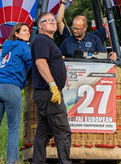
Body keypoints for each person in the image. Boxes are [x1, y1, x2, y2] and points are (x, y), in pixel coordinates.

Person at [0, 23, 32, 164]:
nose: (28, 33)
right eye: (25, 30)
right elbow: (32, 64)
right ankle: (12, 161)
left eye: (29, 30)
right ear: (17, 33)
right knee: (13, 128)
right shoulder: (23, 46)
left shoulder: (7, 46)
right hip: (11, 87)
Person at [31, 12, 71, 164]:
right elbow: (40, 63)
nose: (52, 22)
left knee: (43, 132)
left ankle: (38, 161)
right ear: (40, 26)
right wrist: (53, 85)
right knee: (62, 131)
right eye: (47, 21)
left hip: (46, 93)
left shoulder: (47, 41)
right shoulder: (42, 40)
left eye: (53, 20)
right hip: (49, 93)